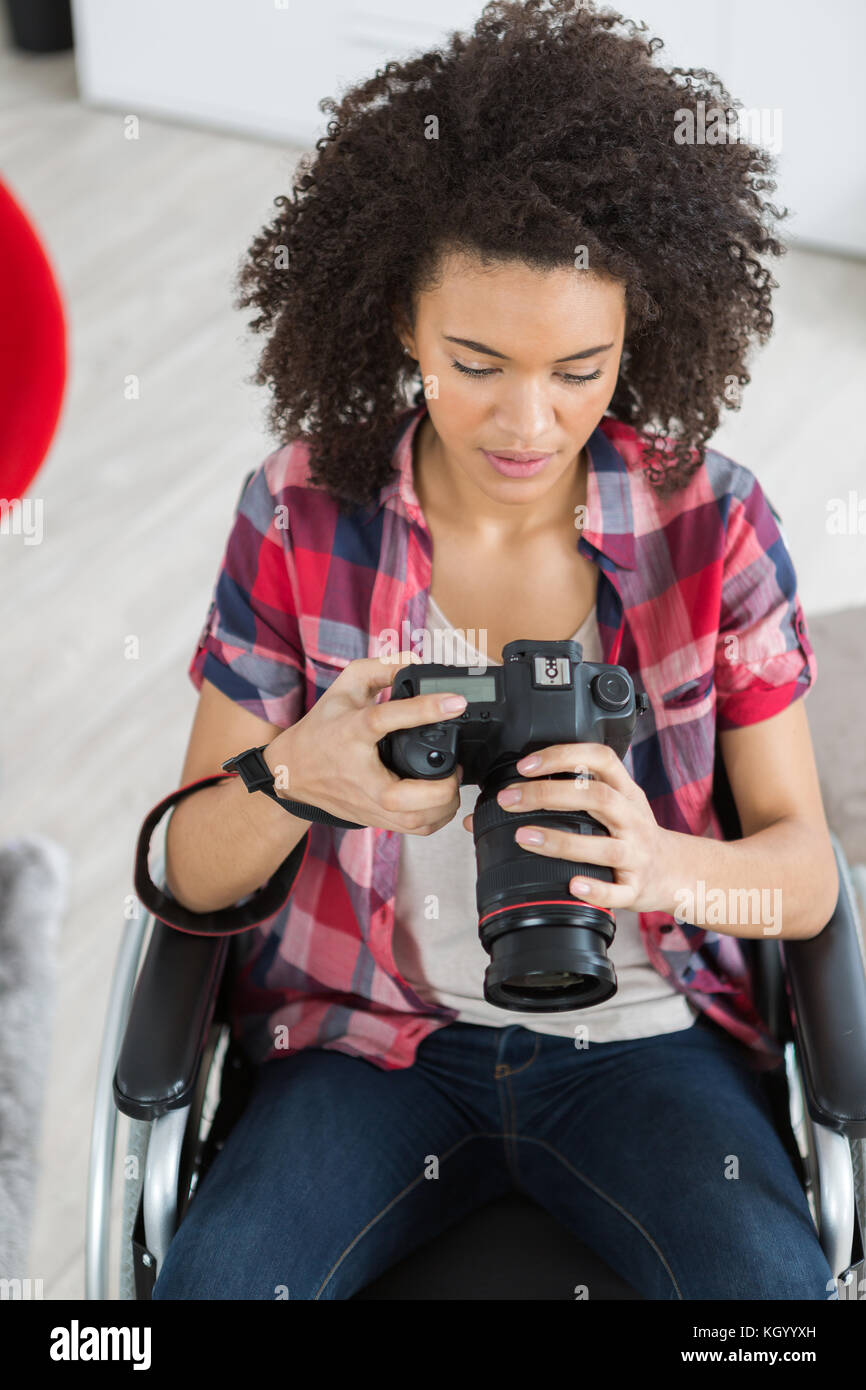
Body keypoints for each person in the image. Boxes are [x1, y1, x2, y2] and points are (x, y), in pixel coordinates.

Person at [148, 0, 839, 1300]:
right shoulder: (300, 513)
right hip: (364, 1044)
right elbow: (185, 868)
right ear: (399, 321)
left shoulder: (714, 522)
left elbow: (802, 882)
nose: (529, 420)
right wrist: (302, 775)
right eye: (473, 360)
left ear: (641, 332)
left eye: (581, 367)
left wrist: (660, 861)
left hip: (642, 1044)